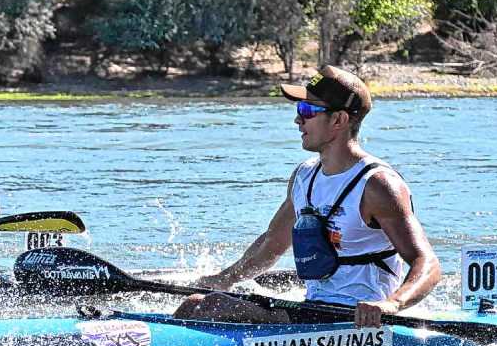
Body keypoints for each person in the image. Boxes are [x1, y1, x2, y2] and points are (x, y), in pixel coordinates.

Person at [174, 66, 440, 328]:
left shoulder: (378, 185)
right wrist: (223, 279)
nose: (297, 120)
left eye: (307, 110)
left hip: (358, 318)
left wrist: (393, 304)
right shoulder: (304, 176)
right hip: (313, 308)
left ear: (339, 120)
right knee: (195, 303)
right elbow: (271, 245)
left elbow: (427, 263)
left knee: (212, 307)